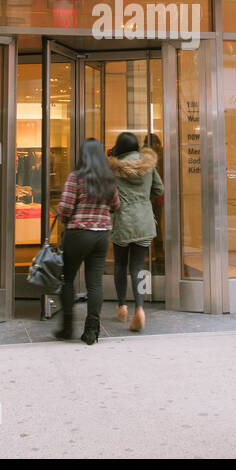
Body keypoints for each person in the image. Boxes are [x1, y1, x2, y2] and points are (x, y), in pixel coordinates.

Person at [55, 138, 120, 345]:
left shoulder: (76, 177)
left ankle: (67, 327)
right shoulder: (108, 179)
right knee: (95, 283)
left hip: (78, 233)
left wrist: (66, 218)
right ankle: (92, 330)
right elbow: (116, 204)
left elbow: (65, 208)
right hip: (101, 235)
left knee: (67, 279)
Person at [106, 131, 162, 332]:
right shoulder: (148, 165)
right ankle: (139, 308)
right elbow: (159, 189)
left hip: (122, 221)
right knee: (138, 267)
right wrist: (144, 199)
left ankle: (122, 306)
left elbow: (108, 194)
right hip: (145, 223)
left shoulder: (114, 168)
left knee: (120, 265)